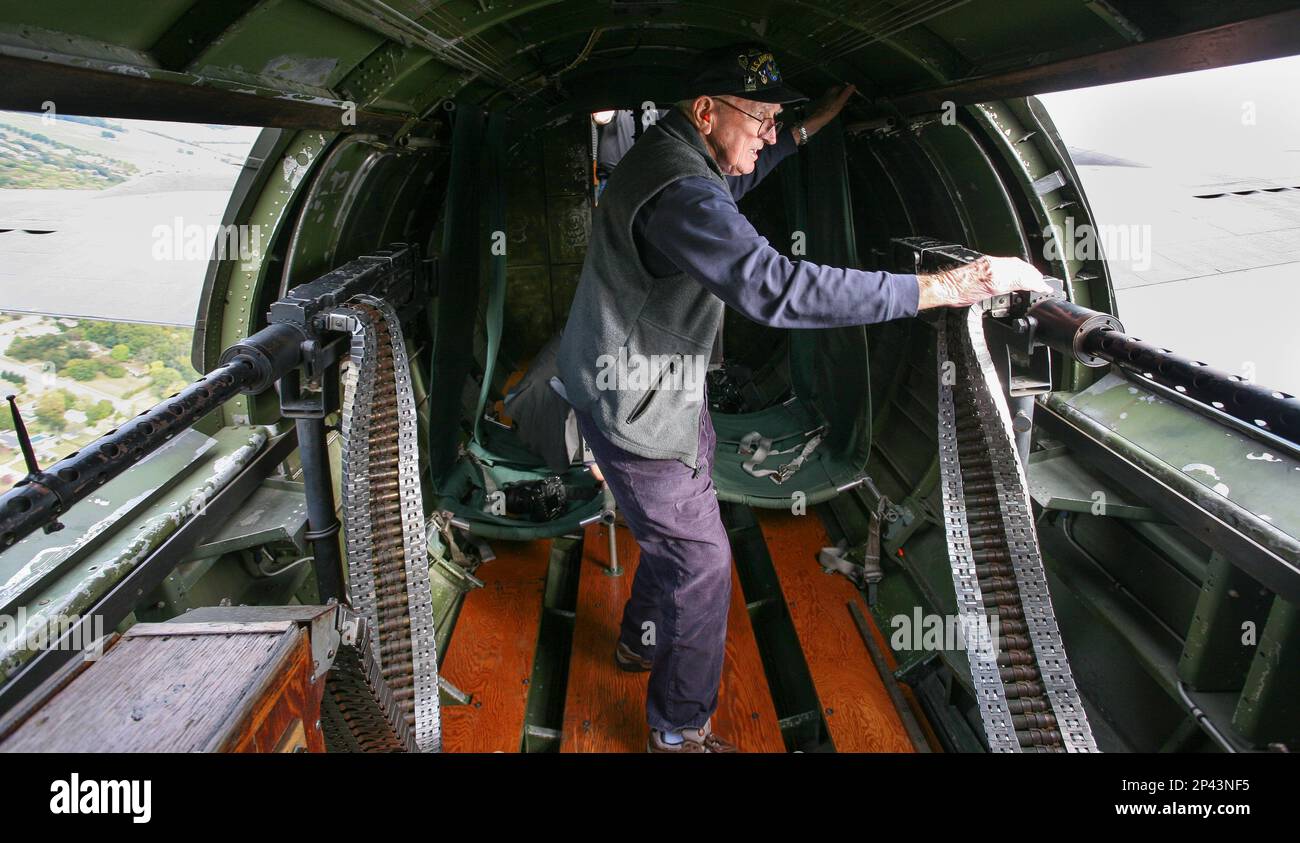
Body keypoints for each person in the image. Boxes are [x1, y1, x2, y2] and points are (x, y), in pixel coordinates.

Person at [555, 44, 1051, 753]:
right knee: (703, 565)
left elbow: (739, 183)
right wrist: (944, 286)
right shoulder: (681, 190)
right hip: (636, 407)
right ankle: (678, 728)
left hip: (647, 390)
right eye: (758, 116)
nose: (765, 129)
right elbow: (777, 288)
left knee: (675, 542)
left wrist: (804, 130)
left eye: (773, 117)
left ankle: (640, 641)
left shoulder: (675, 155)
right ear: (705, 111)